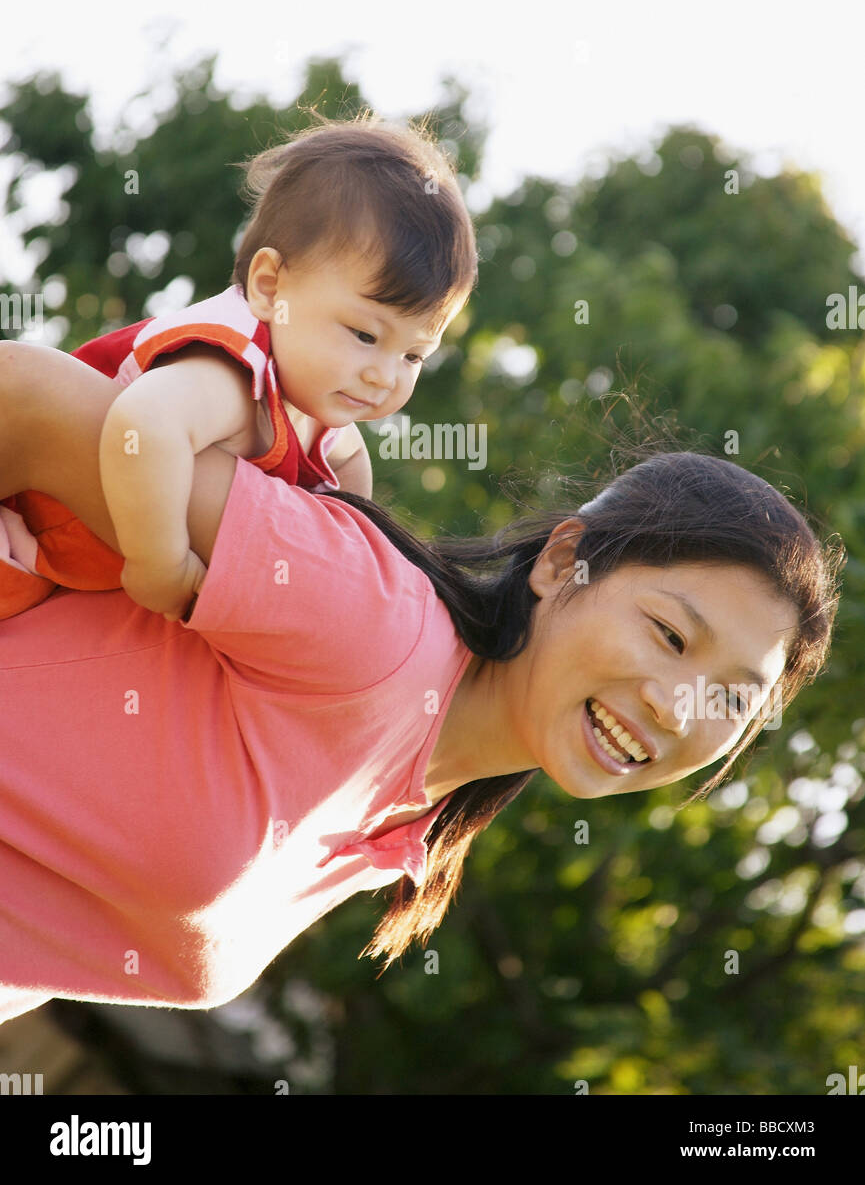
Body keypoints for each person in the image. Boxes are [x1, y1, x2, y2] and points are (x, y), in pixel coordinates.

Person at [0, 341, 841, 1025]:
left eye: (733, 699)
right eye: (668, 634)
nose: (674, 701)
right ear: (560, 564)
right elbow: (26, 397)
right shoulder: (370, 620)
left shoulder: (411, 833)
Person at [0, 114, 476, 621]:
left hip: (59, 570)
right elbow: (141, 426)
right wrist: (159, 562)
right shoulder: (232, 365)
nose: (385, 376)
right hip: (23, 523)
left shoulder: (319, 408)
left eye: (413, 356)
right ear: (270, 287)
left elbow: (349, 472)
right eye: (365, 335)